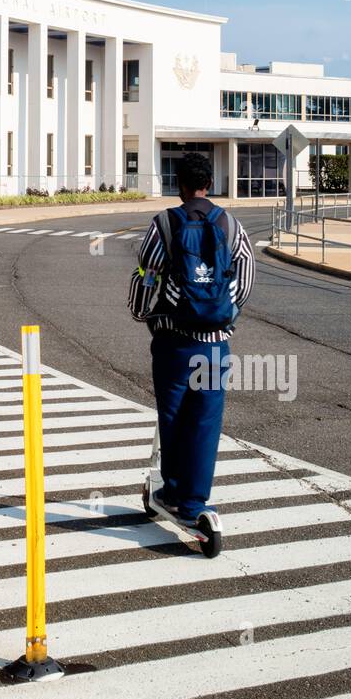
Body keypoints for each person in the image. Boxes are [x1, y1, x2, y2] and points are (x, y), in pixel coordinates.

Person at [128, 153, 255, 525]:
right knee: (205, 421)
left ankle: (173, 490)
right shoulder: (232, 226)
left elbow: (146, 274)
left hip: (174, 343)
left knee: (173, 417)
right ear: (209, 184)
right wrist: (224, 316)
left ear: (178, 185)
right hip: (216, 345)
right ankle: (196, 500)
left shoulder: (163, 225)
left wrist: (140, 311)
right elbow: (244, 281)